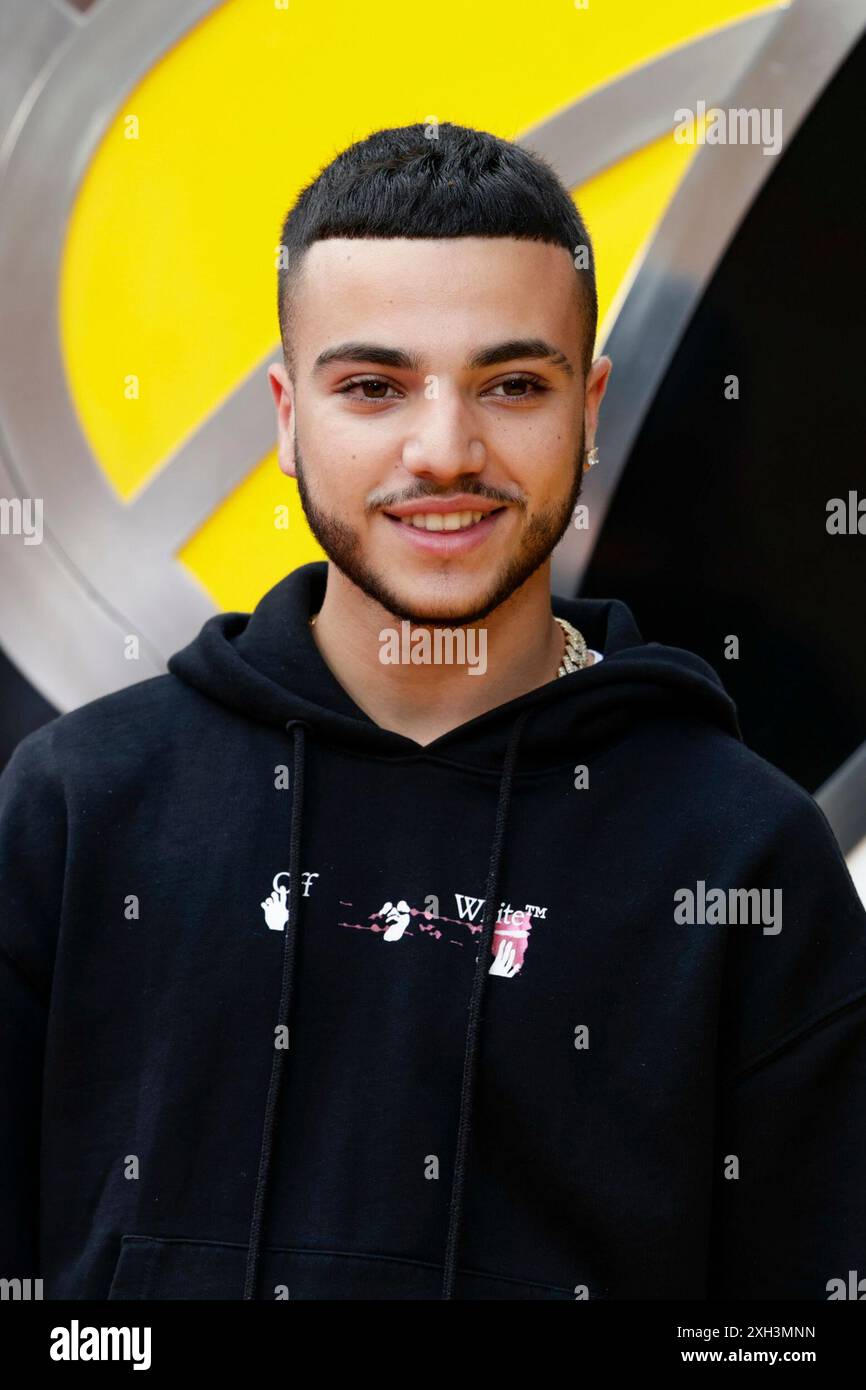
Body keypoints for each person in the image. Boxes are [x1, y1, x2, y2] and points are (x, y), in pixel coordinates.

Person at [1, 121, 865, 1302]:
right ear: (286, 414)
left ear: (590, 406)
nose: (444, 449)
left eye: (511, 384)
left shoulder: (738, 848)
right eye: (372, 386)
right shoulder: (78, 803)